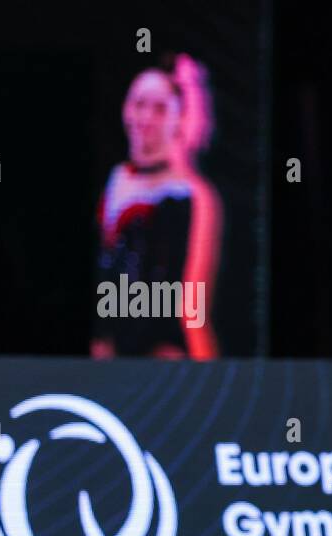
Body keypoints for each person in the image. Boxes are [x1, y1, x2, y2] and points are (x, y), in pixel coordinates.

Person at [92, 57, 222, 360]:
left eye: (160, 109)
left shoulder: (187, 194)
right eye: (139, 104)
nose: (146, 118)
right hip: (107, 353)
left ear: (178, 117)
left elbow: (188, 305)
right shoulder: (115, 178)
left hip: (161, 355)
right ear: (125, 108)